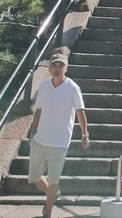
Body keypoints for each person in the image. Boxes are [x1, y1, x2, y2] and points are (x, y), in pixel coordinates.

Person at [28, 51, 88, 218]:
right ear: (49, 68)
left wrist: (85, 134)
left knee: (53, 180)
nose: (57, 68)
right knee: (34, 177)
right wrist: (32, 134)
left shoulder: (72, 87)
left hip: (60, 142)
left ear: (66, 68)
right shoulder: (44, 86)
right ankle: (53, 194)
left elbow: (80, 112)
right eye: (54, 65)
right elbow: (38, 111)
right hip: (40, 139)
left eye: (60, 65)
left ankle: (47, 211)